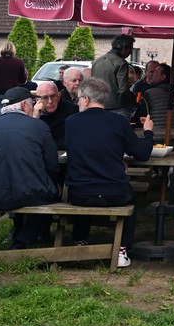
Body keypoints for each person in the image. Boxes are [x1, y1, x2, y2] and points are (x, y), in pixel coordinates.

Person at [64, 78, 154, 266]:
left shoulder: (71, 122)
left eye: (79, 99)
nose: (78, 102)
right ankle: (122, 248)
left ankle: (80, 242)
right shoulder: (118, 121)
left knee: (86, 185)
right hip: (115, 193)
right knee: (133, 197)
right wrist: (148, 132)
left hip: (79, 193)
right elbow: (143, 153)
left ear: (86, 99)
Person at [0, 87, 59, 258]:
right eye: (32, 104)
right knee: (51, 196)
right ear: (24, 105)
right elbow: (51, 165)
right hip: (29, 193)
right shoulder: (39, 126)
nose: (33, 108)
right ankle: (23, 241)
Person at [92, 34, 135, 117]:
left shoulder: (96, 62)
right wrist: (131, 101)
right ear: (124, 48)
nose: (130, 52)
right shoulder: (121, 63)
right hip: (118, 107)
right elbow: (123, 90)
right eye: (130, 49)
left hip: (98, 105)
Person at [0, 40, 27, 118]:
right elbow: (23, 80)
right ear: (13, 50)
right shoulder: (19, 62)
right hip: (12, 94)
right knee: (12, 116)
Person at [35, 79, 76, 151]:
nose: (50, 101)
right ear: (37, 100)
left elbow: (72, 138)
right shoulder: (30, 112)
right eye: (45, 98)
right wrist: (34, 119)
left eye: (53, 96)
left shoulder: (71, 110)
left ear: (59, 96)